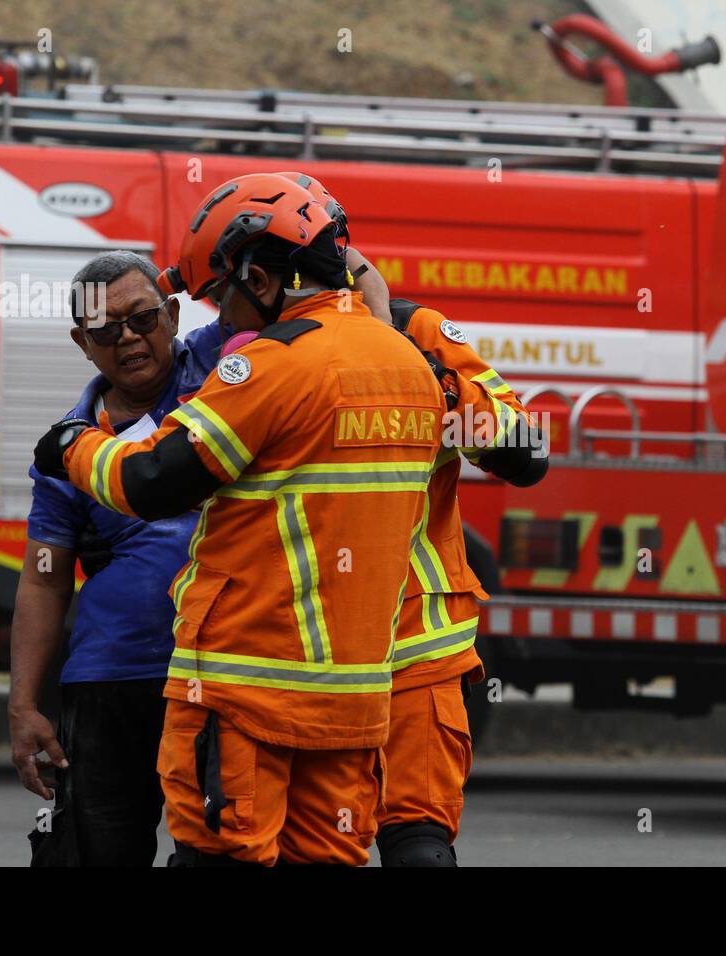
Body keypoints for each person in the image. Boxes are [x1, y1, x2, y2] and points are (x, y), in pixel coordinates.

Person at [32, 173, 447, 866]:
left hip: (246, 696)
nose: (223, 314)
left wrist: (74, 447)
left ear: (258, 276)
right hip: (354, 701)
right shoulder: (409, 367)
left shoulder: (273, 365)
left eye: (221, 293)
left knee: (220, 859)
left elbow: (152, 479)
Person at [283, 173, 548, 865]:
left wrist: (424, 375)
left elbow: (526, 450)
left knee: (420, 847)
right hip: (299, 650)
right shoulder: (257, 350)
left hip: (415, 645)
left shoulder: (415, 329)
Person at [8, 250, 220, 866]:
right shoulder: (65, 446)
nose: (128, 338)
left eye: (142, 318)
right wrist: (24, 706)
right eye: (105, 330)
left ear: (173, 315)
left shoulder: (223, 364)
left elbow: (309, 284)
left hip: (222, 676)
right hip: (107, 686)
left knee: (222, 856)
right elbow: (44, 580)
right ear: (83, 343)